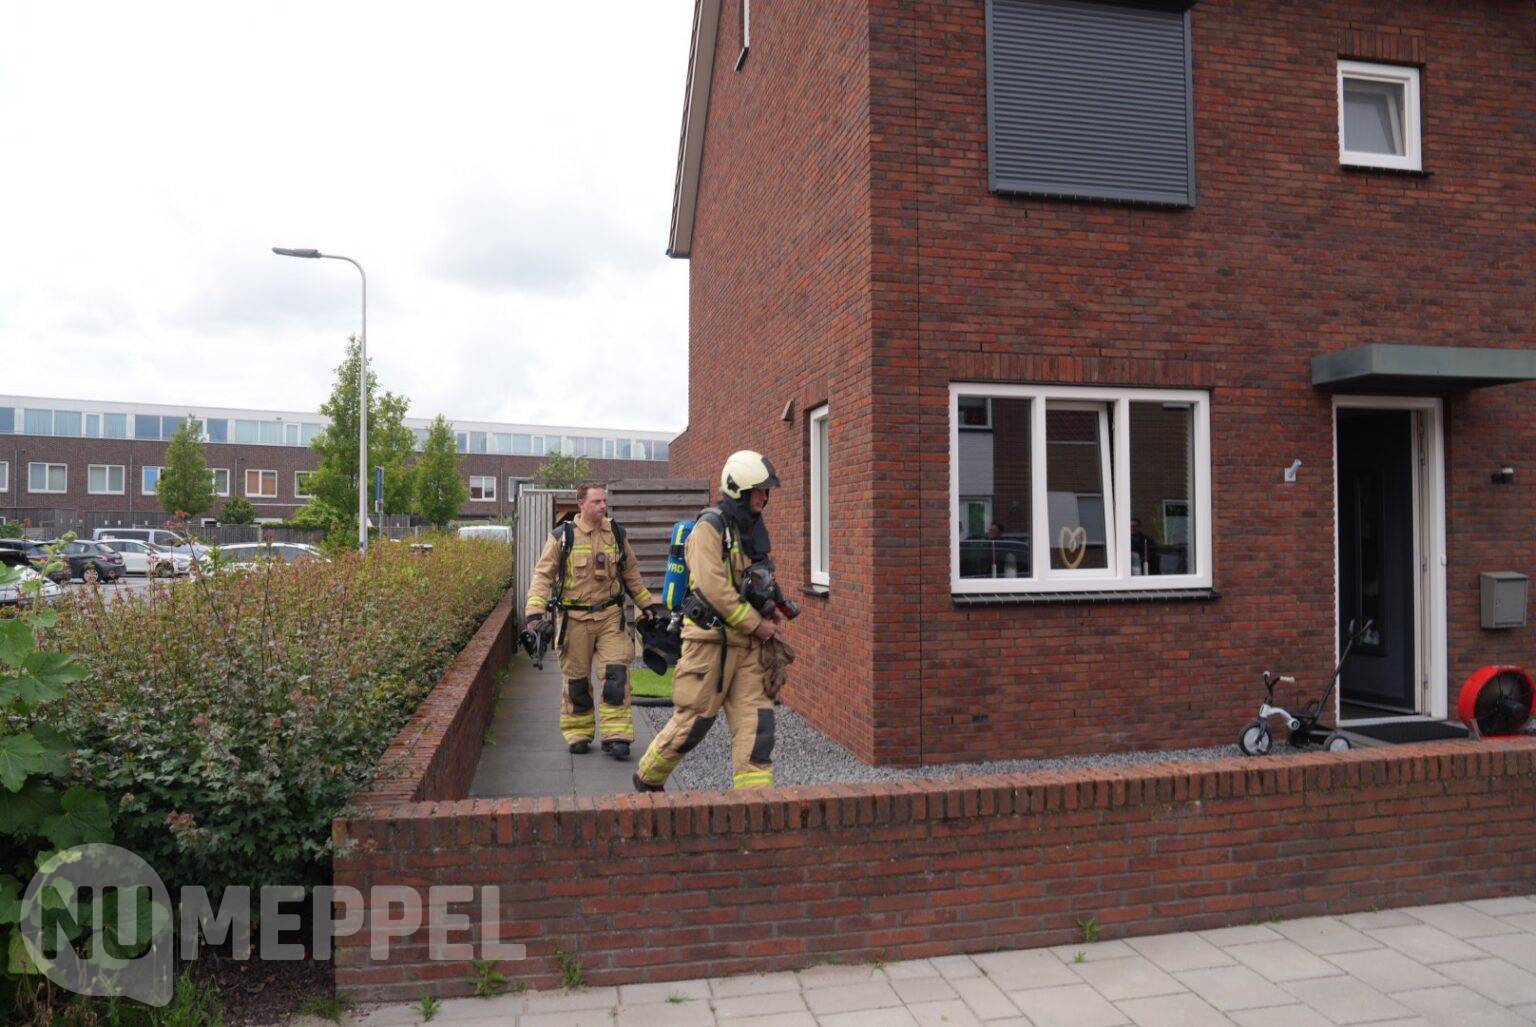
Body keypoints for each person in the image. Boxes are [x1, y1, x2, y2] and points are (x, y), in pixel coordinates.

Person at [634, 451, 785, 792]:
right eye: (759, 490)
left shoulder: (751, 529)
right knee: (694, 722)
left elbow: (757, 578)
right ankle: (647, 779)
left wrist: (770, 606)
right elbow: (712, 586)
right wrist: (754, 622)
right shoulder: (709, 528)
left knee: (757, 726)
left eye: (766, 490)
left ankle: (755, 801)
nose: (765, 496)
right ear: (739, 489)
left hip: (748, 648)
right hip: (709, 644)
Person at [525, 482, 661, 760]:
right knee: (576, 681)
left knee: (616, 676)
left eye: (604, 501)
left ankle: (617, 737)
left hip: (611, 617)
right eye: (597, 501)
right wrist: (534, 612)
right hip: (574, 619)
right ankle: (578, 732)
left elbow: (631, 573)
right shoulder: (562, 538)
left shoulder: (617, 534)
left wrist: (646, 604)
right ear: (581, 504)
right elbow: (543, 576)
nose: (603, 506)